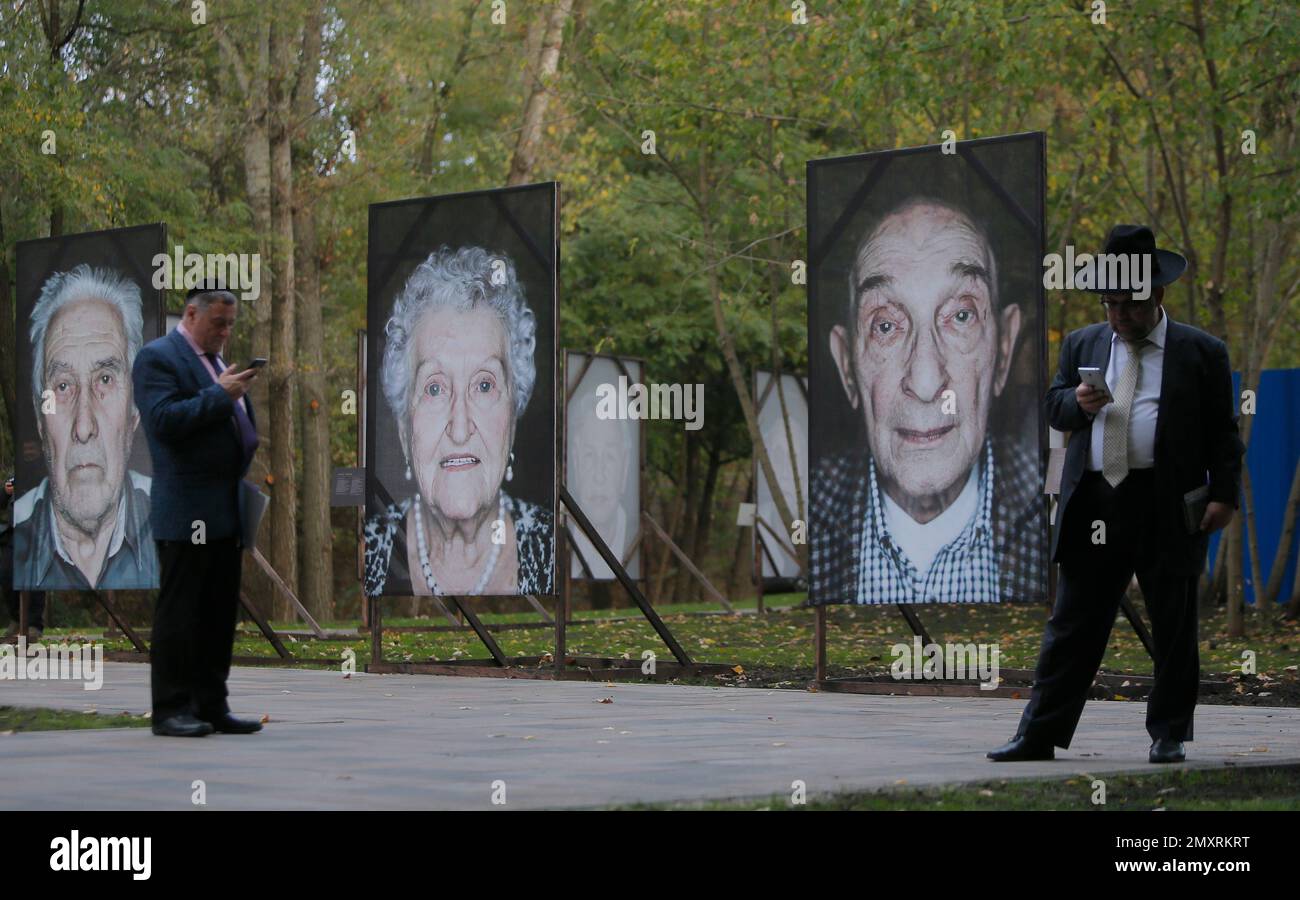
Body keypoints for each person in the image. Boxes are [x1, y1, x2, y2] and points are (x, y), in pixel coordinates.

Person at [988, 225, 1244, 765]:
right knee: (1072, 623)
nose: (1118, 315)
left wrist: (1224, 496)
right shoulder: (1083, 343)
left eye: (1128, 304)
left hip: (1166, 502)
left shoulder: (1202, 352)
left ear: (1158, 294)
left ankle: (1169, 733)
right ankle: (1038, 735)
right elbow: (1053, 407)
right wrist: (1077, 403)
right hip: (1095, 503)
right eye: (1109, 304)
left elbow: (1224, 432)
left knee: (1173, 623)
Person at [812, 197, 1044, 605]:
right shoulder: (813, 512)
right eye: (885, 325)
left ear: (1003, 350)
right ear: (847, 366)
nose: (925, 381)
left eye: (961, 316)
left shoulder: (1049, 508)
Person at [365, 246, 554, 596]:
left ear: (512, 418)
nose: (461, 426)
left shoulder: (551, 545)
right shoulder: (374, 547)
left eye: (484, 385)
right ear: (405, 430)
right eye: (434, 388)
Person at [132, 286, 264, 738]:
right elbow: (165, 421)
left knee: (217, 612)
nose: (226, 332)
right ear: (191, 314)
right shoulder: (158, 358)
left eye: (230, 324)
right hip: (187, 508)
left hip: (226, 506)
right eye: (218, 324)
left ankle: (212, 704)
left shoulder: (215, 363)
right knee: (181, 611)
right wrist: (220, 394)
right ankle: (170, 708)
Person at [12, 265, 156, 590]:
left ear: (134, 412)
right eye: (63, 386)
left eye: (105, 380)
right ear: (39, 419)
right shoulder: (17, 529)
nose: (83, 426)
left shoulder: (167, 517)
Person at [567, 380, 636, 579]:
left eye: (610, 457)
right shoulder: (556, 544)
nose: (599, 475)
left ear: (624, 469)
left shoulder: (635, 540)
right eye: (589, 456)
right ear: (576, 463)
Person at [2, 474, 46, 640]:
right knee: (6, 575)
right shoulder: (14, 477)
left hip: (37, 532)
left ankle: (34, 624)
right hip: (13, 533)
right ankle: (16, 618)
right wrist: (5, 492)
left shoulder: (44, 472)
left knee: (34, 579)